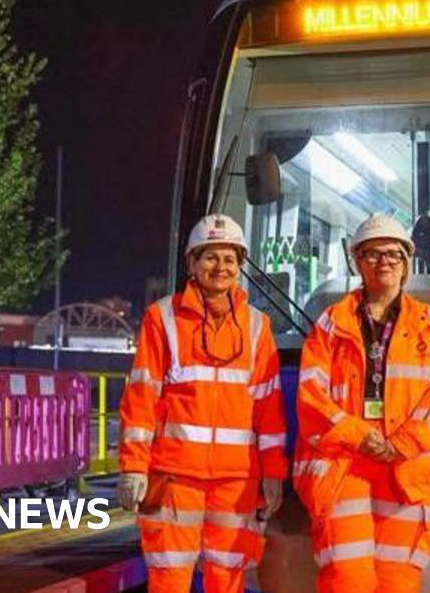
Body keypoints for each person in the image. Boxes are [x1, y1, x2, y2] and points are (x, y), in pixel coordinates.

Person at [117, 214, 288, 593]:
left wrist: (273, 473)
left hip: (237, 481)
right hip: (175, 478)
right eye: (210, 257)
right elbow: (142, 398)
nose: (221, 267)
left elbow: (268, 407)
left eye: (229, 259)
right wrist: (133, 467)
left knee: (228, 578)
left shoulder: (258, 326)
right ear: (192, 263)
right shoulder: (162, 318)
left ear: (240, 267)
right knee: (169, 579)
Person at [294, 214, 430, 593]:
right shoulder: (330, 325)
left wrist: (398, 445)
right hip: (343, 467)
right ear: (358, 262)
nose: (383, 262)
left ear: (406, 263)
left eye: (393, 255)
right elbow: (311, 394)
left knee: (398, 581)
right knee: (347, 580)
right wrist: (359, 436)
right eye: (372, 255)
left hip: (405, 470)